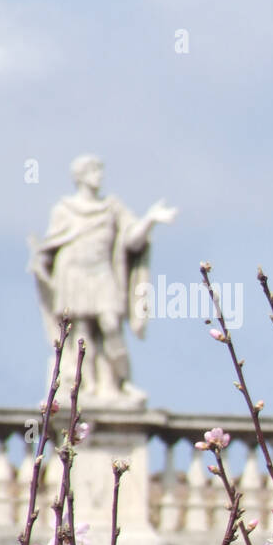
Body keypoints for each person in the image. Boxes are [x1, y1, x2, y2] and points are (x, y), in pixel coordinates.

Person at [28, 155, 175, 406]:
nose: (99, 175)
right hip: (72, 272)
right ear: (81, 175)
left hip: (102, 272)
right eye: (94, 170)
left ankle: (121, 381)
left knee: (110, 325)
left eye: (99, 169)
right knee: (81, 332)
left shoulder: (112, 207)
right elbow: (50, 248)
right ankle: (86, 386)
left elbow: (133, 241)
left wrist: (150, 220)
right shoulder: (64, 209)